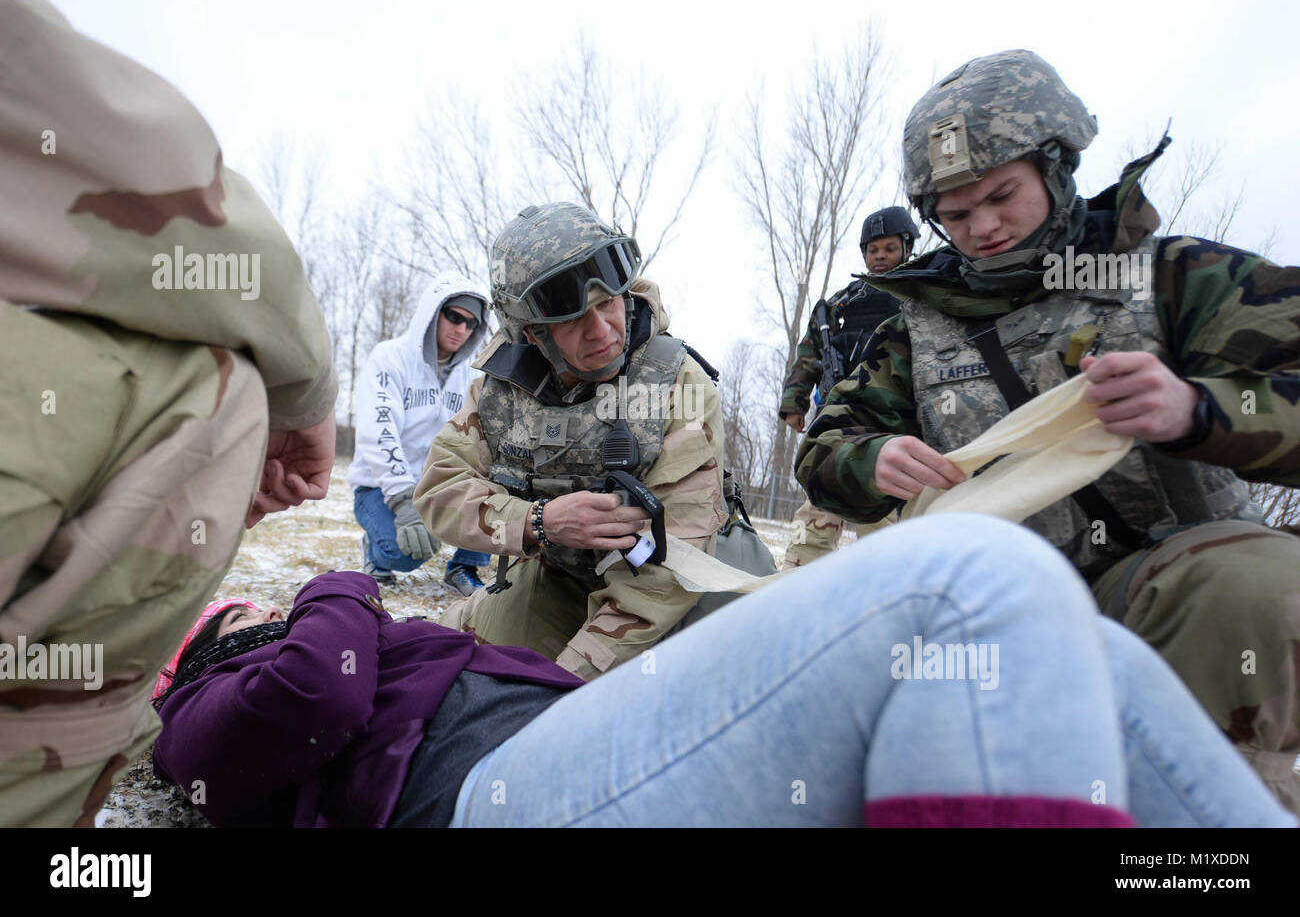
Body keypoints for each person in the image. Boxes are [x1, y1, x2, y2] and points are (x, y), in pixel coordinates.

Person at [796, 48, 1300, 811]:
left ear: (1056, 169)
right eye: (955, 215)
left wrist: (1200, 409)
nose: (984, 228)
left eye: (1002, 195)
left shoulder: (1172, 278)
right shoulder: (918, 324)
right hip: (992, 611)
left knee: (1247, 584)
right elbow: (828, 445)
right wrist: (874, 459)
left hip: (1161, 596)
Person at [149, 514, 1295, 827]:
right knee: (969, 581)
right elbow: (314, 693)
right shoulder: (192, 717)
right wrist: (330, 585)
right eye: (199, 609)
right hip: (483, 800)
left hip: (590, 753)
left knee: (1088, 653)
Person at [0, 0, 336, 826]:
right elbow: (160, 200)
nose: (266, 611)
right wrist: (341, 599)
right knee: (216, 387)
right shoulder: (202, 720)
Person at [414, 202, 745, 682]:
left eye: (608, 303)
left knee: (704, 688)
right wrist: (538, 522)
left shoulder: (678, 385)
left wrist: (566, 684)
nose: (603, 331)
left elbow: (671, 571)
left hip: (683, 577)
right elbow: (441, 488)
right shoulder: (501, 390)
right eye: (573, 319)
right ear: (533, 333)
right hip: (561, 574)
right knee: (474, 676)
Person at [779, 207, 918, 569]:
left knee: (884, 526)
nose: (881, 257)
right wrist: (795, 401)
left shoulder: (919, 295)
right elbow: (809, 353)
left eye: (889, 248)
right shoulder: (841, 304)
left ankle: (884, 598)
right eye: (873, 251)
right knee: (814, 515)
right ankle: (793, 586)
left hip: (890, 424)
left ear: (907, 247)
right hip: (837, 424)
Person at [347, 272, 494, 594]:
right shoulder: (389, 358)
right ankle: (376, 552)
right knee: (407, 553)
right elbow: (379, 432)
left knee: (498, 472)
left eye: (471, 323)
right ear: (433, 311)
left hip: (440, 484)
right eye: (454, 316)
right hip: (380, 487)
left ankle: (464, 566)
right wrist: (403, 500)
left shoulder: (474, 375)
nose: (462, 329)